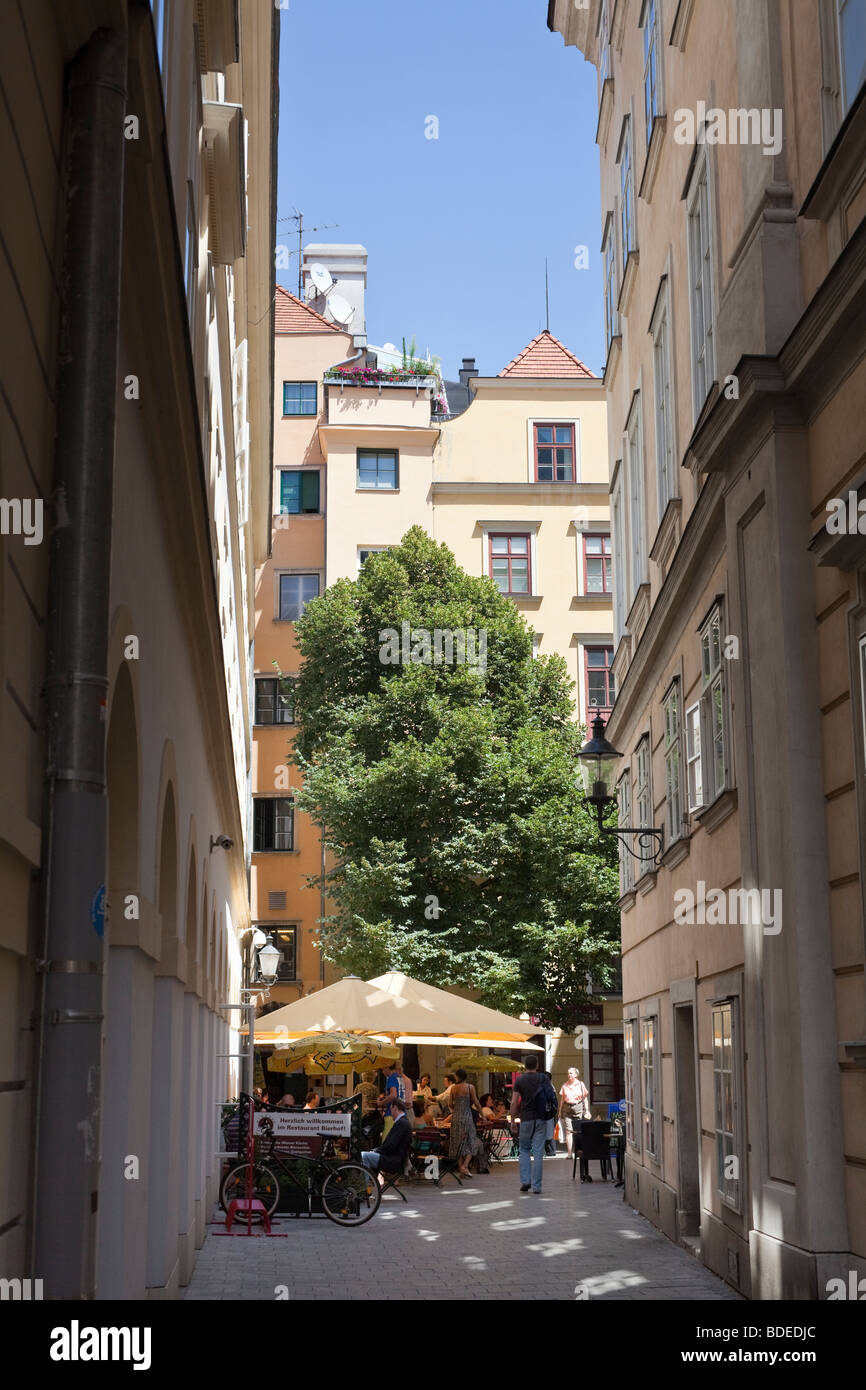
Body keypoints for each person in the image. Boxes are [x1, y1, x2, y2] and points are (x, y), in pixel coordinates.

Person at [510, 1056, 554, 1194]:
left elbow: (514, 1102)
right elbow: (551, 1096)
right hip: (541, 1119)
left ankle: (525, 1181)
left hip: (526, 1119)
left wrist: (512, 1121)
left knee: (523, 1149)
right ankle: (537, 1186)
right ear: (537, 1065)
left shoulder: (520, 1080)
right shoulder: (543, 1078)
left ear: (525, 1066)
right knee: (538, 1152)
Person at [361, 1098, 412, 1185]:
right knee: (365, 1155)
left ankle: (364, 1188)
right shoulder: (403, 1122)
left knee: (363, 1156)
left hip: (393, 1160)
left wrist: (376, 1150)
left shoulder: (401, 1123)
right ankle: (365, 1185)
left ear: (395, 1108)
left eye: (391, 1110)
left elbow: (391, 1145)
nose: (390, 1113)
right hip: (396, 1159)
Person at [448, 1068, 484, 1179]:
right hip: (467, 1116)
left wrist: (456, 1109)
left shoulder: (453, 1088)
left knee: (457, 1142)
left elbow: (450, 1104)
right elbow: (476, 1101)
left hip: (456, 1117)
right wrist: (482, 1113)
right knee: (471, 1140)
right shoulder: (470, 1087)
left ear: (457, 1077)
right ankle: (465, 1166)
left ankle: (461, 1168)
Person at [559, 1066, 591, 1160]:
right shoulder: (565, 1085)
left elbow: (585, 1099)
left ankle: (579, 1151)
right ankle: (569, 1153)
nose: (569, 1075)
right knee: (568, 1131)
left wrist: (587, 1110)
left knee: (578, 1131)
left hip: (578, 1108)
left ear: (576, 1074)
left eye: (571, 1073)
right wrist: (560, 1111)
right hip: (567, 1108)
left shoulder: (581, 1084)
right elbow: (562, 1099)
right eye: (568, 1073)